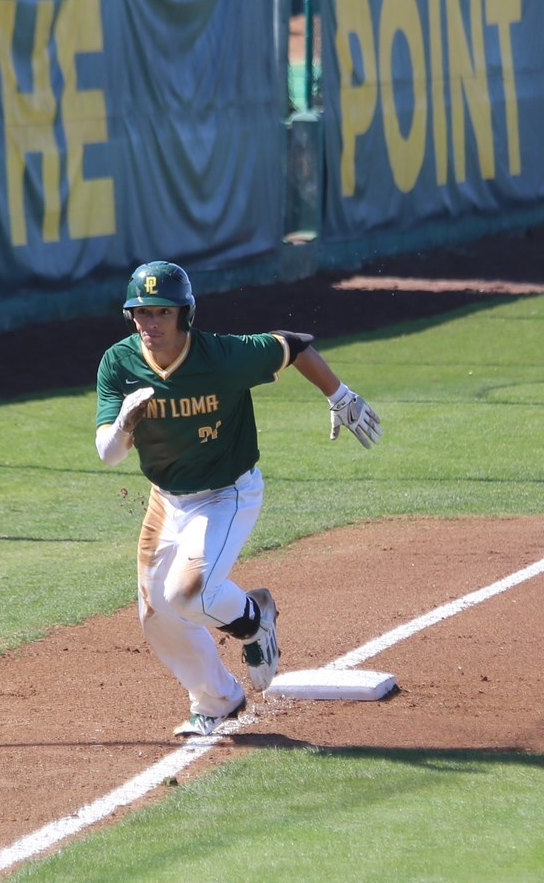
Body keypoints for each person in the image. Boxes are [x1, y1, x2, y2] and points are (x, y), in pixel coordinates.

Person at [94, 260, 381, 738]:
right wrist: (125, 422)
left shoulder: (222, 356)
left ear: (185, 315)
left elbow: (292, 345)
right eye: (140, 312)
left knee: (189, 593)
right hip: (166, 501)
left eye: (162, 312)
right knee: (158, 616)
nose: (149, 324)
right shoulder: (119, 363)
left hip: (226, 493)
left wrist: (339, 394)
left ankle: (253, 619)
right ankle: (217, 699)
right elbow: (109, 454)